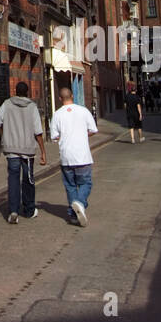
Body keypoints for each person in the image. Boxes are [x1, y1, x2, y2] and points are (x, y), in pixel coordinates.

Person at [0, 81, 47, 223]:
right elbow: (38, 132)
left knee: (13, 180)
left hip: (11, 150)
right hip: (28, 150)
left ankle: (14, 210)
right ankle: (29, 210)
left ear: (15, 91)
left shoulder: (6, 104)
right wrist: (43, 152)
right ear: (27, 92)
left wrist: (4, 135)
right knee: (28, 180)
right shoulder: (32, 107)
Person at [49, 86, 98, 227]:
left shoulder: (57, 114)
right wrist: (83, 134)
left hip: (66, 156)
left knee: (70, 186)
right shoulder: (83, 111)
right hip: (82, 155)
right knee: (85, 183)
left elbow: (54, 137)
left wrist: (65, 137)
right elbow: (93, 130)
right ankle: (80, 203)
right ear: (73, 96)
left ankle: (73, 214)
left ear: (60, 99)